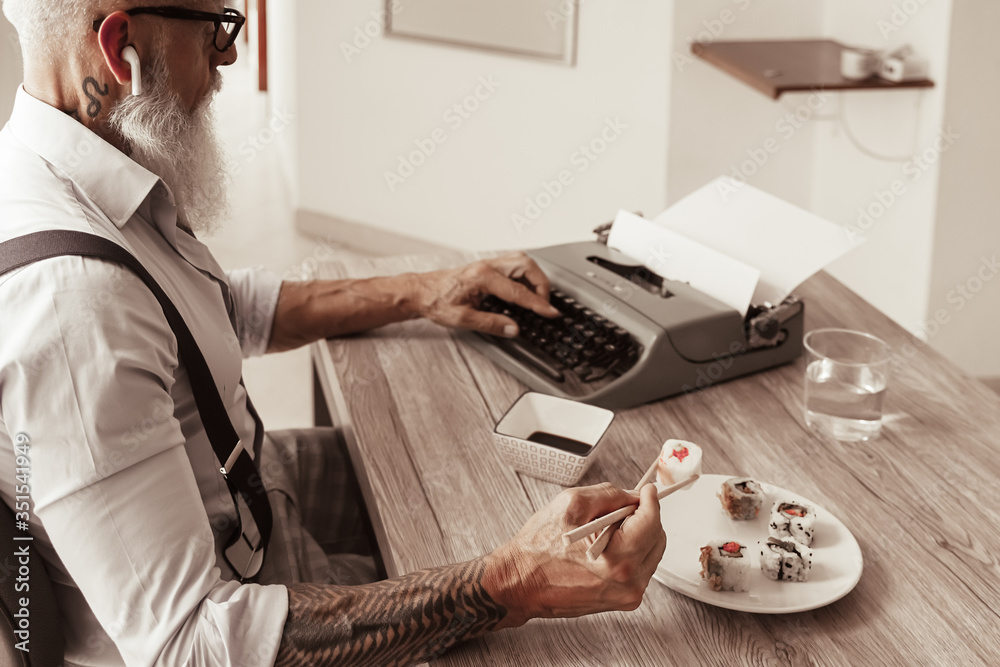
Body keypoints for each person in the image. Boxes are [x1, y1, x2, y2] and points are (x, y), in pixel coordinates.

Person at [0, 2, 667, 666]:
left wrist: (423, 290)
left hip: (258, 499)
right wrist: (513, 582)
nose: (228, 55)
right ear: (123, 50)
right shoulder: (72, 305)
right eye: (215, 29)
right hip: (242, 603)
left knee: (472, 469)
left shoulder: (73, 178)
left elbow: (215, 311)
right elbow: (193, 644)